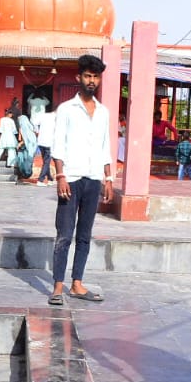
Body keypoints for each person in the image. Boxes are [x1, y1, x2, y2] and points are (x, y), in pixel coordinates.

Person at [49, 54, 113, 306]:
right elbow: (58, 145)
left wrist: (108, 178)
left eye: (95, 76)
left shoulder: (103, 112)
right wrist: (60, 176)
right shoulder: (66, 109)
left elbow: (105, 146)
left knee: (84, 235)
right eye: (87, 76)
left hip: (93, 179)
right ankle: (57, 287)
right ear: (79, 77)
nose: (91, 81)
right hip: (71, 178)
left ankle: (77, 284)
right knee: (64, 235)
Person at [15, 110, 38, 181]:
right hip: (26, 148)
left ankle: (26, 174)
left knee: (27, 161)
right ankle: (24, 174)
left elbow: (27, 139)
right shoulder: (27, 127)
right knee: (24, 160)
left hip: (29, 148)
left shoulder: (25, 128)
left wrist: (20, 143)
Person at [33, 106, 54, 184]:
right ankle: (40, 180)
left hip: (41, 141)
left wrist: (37, 132)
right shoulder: (56, 118)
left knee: (46, 161)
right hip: (49, 142)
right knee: (47, 161)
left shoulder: (42, 116)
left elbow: (34, 123)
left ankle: (50, 179)